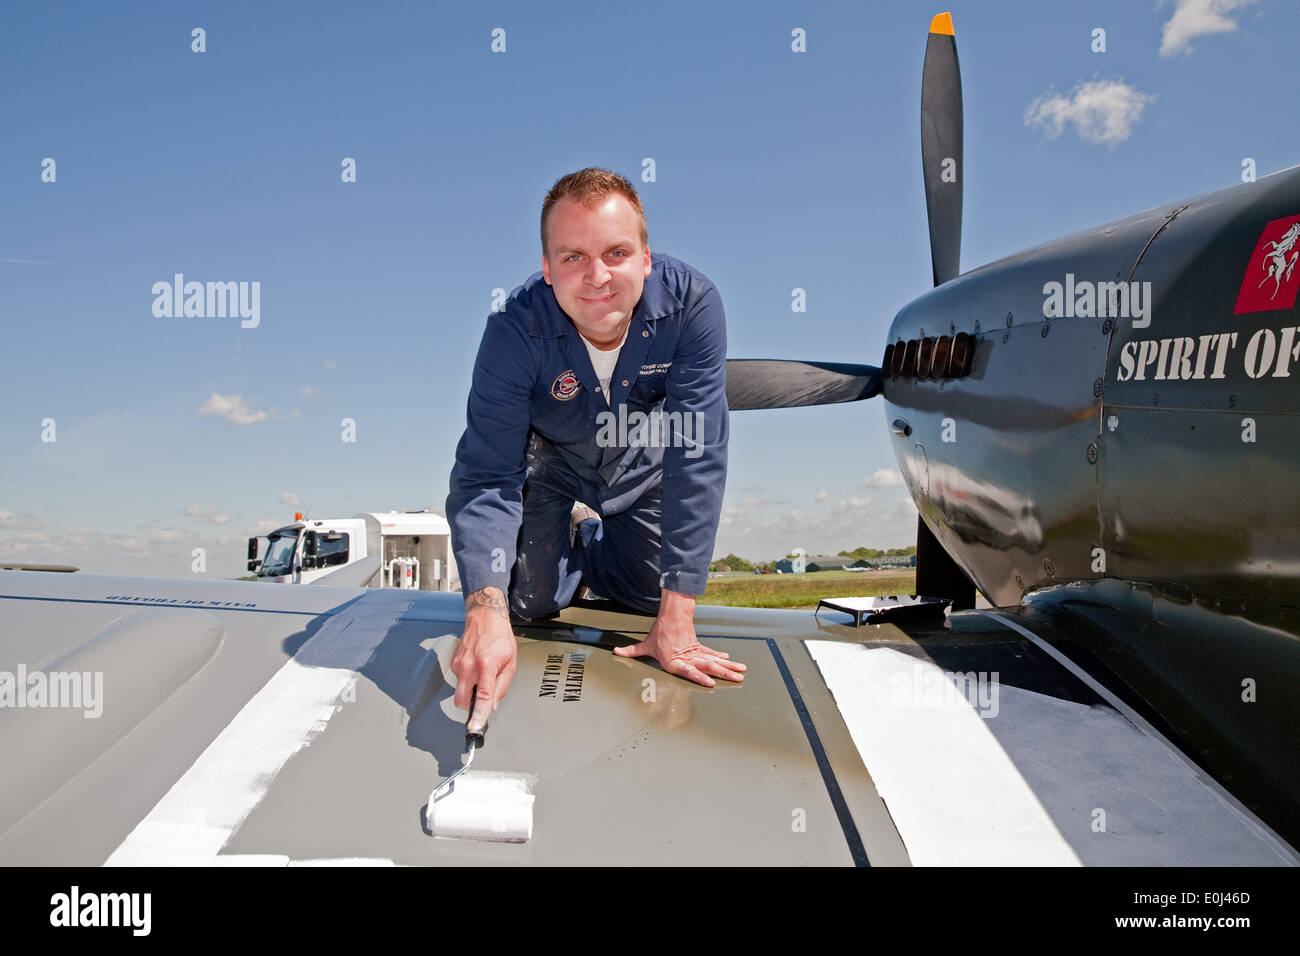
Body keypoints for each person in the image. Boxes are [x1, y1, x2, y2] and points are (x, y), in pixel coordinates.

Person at [445, 168, 745, 725]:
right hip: (551, 465)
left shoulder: (694, 306)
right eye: (573, 257)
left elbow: (696, 452)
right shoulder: (513, 332)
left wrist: (677, 615)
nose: (597, 276)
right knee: (528, 608)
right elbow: (488, 474)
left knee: (653, 605)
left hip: (642, 469)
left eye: (616, 252)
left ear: (646, 258)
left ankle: (593, 544)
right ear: (547, 268)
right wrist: (483, 612)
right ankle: (562, 548)